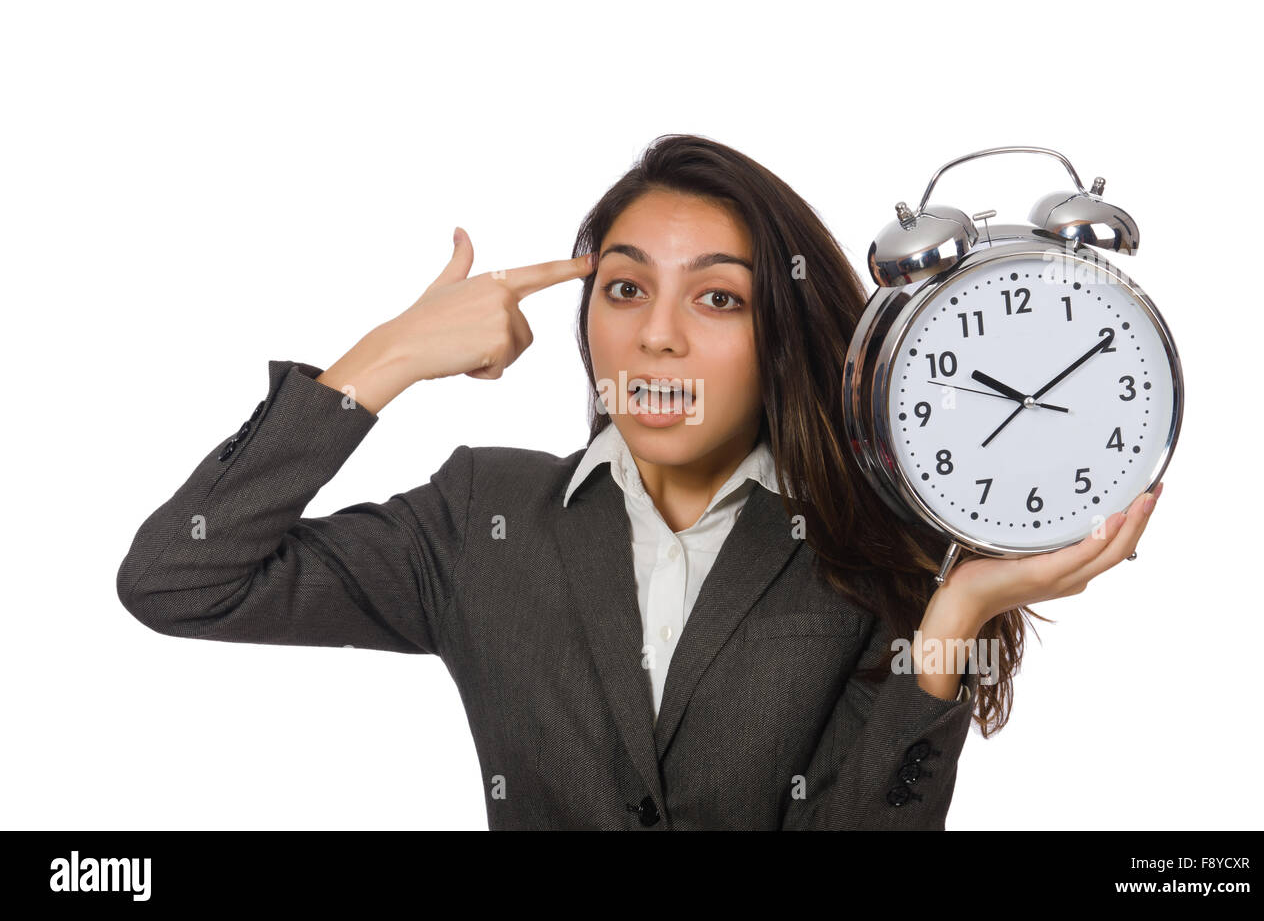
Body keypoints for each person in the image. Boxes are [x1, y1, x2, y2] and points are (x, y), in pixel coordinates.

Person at [116, 134, 1162, 829]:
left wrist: (960, 609)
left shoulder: (854, 546)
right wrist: (383, 358)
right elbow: (178, 578)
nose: (655, 336)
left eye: (716, 300)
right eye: (623, 289)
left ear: (779, 334)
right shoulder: (481, 517)